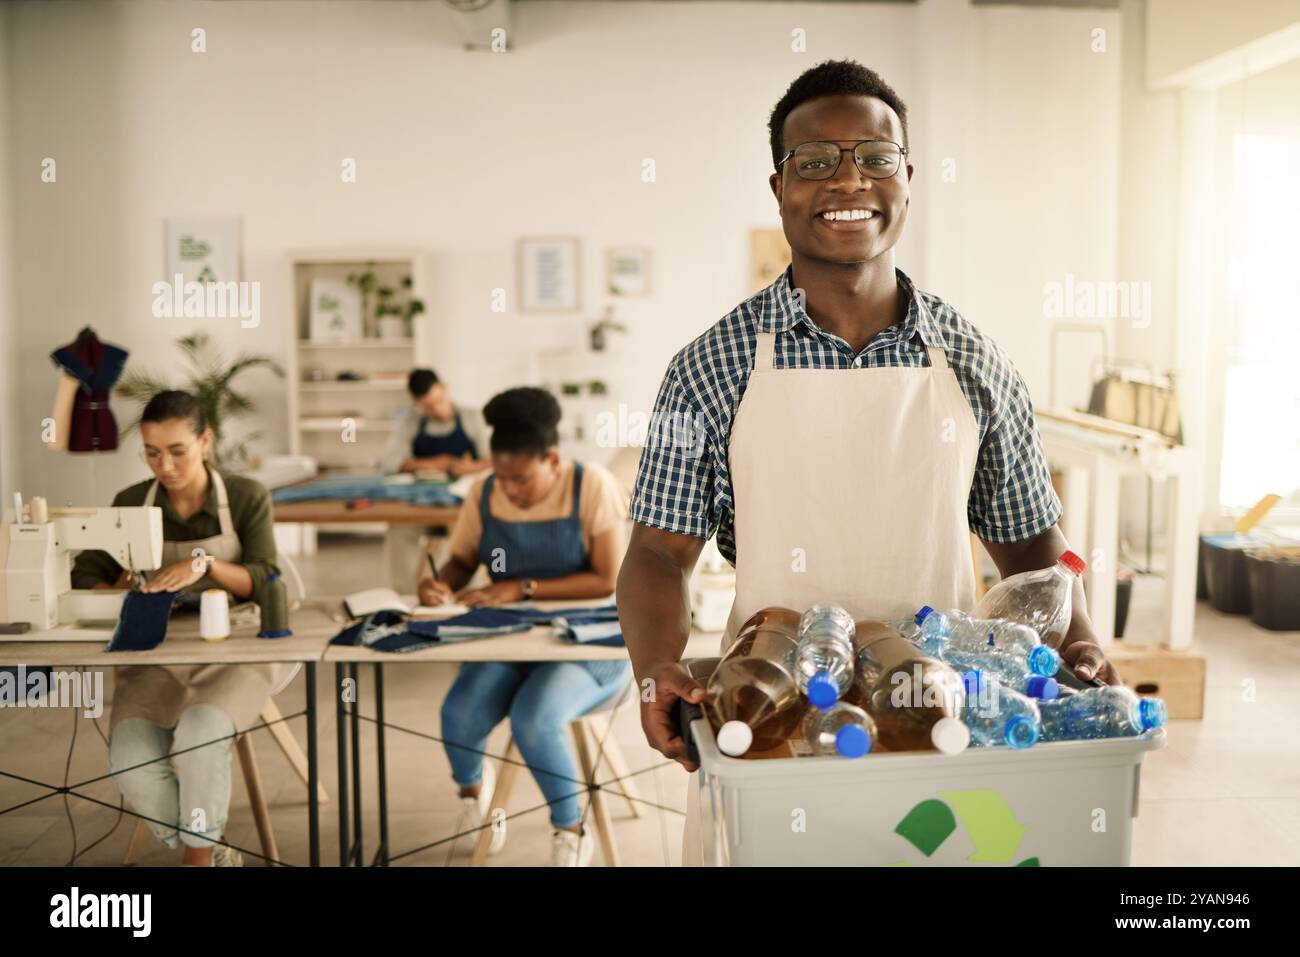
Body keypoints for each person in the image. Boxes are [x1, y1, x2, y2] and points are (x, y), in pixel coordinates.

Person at [615, 60, 1120, 864]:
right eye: (815, 161)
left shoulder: (975, 360)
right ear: (779, 187)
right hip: (774, 717)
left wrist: (1084, 641)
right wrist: (657, 668)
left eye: (875, 157)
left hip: (950, 713)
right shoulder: (709, 368)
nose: (848, 179)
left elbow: (1031, 546)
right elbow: (655, 552)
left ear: (908, 179)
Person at [71, 390, 284, 867]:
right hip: (155, 653)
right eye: (151, 452)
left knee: (200, 733)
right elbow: (85, 570)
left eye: (176, 451)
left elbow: (266, 578)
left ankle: (199, 858)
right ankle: (211, 847)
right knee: (130, 760)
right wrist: (118, 584)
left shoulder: (245, 497)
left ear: (205, 441)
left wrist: (203, 563)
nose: (163, 465)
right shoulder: (130, 504)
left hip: (236, 648)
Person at [419, 387, 630, 866]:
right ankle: (474, 795)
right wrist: (438, 584)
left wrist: (520, 588)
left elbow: (606, 578)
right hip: (511, 639)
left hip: (591, 643)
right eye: (502, 477)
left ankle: (571, 829)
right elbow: (461, 560)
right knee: (459, 716)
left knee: (534, 719)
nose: (509, 489)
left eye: (521, 479)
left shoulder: (590, 484)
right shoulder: (485, 491)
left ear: (552, 459)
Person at [379, 368, 490, 477]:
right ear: (417, 404)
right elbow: (389, 463)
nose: (438, 410)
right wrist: (435, 464)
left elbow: (492, 461)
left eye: (440, 400)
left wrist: (473, 467)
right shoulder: (410, 422)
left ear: (445, 387)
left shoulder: (472, 418)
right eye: (429, 407)